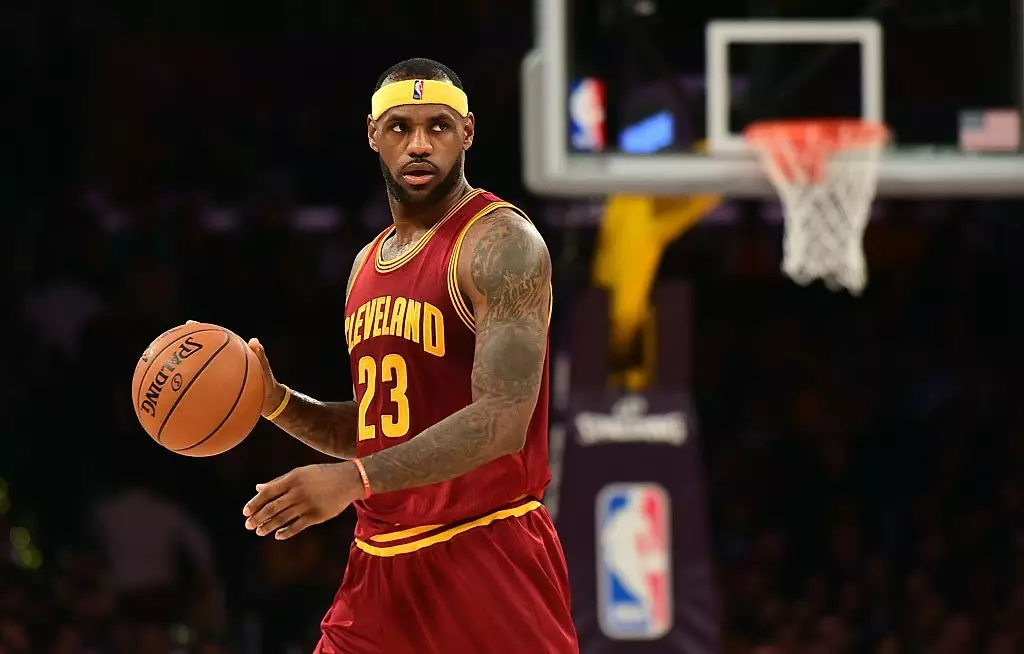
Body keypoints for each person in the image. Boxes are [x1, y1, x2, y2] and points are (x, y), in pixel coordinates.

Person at [240, 58, 579, 654]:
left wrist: (354, 479)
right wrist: (278, 404)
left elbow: (502, 419)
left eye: (438, 127)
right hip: (379, 562)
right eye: (399, 127)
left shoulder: (501, 243)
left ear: (467, 132)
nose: (419, 144)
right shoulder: (364, 265)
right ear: (373, 135)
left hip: (487, 552)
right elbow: (384, 427)